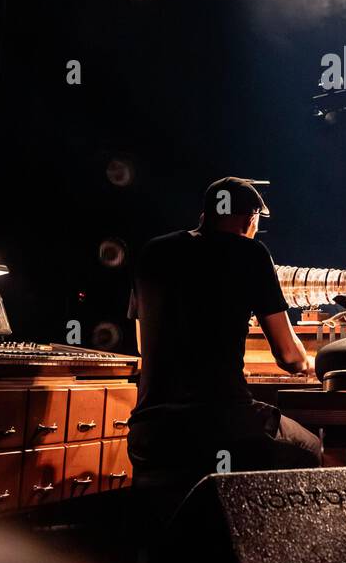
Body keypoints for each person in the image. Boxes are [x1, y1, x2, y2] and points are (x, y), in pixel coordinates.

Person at [127, 176, 322, 488]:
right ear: (250, 220)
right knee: (311, 447)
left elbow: (142, 344)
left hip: (151, 432)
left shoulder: (153, 251)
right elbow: (289, 357)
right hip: (221, 426)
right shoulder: (251, 253)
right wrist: (312, 363)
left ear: (205, 214)